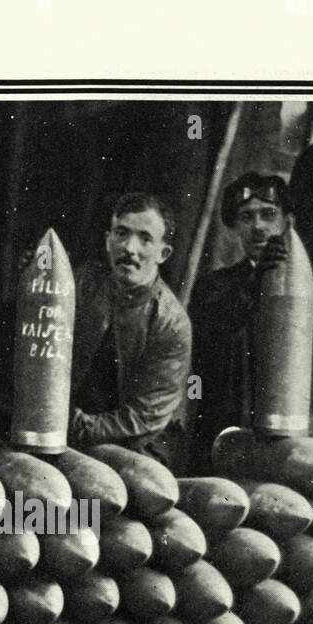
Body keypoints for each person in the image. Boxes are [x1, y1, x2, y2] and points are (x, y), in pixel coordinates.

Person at [187, 172, 313, 472]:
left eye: (268, 214)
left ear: (287, 222)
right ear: (235, 227)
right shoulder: (214, 287)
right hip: (222, 442)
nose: (258, 226)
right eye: (246, 217)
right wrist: (254, 282)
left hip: (291, 448)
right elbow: (208, 340)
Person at [67, 192, 193, 470]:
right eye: (121, 233)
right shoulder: (81, 283)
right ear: (107, 239)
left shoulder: (171, 323)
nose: (129, 248)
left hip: (136, 444)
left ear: (163, 253)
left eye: (144, 239)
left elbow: (145, 416)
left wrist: (75, 427)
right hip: (66, 427)